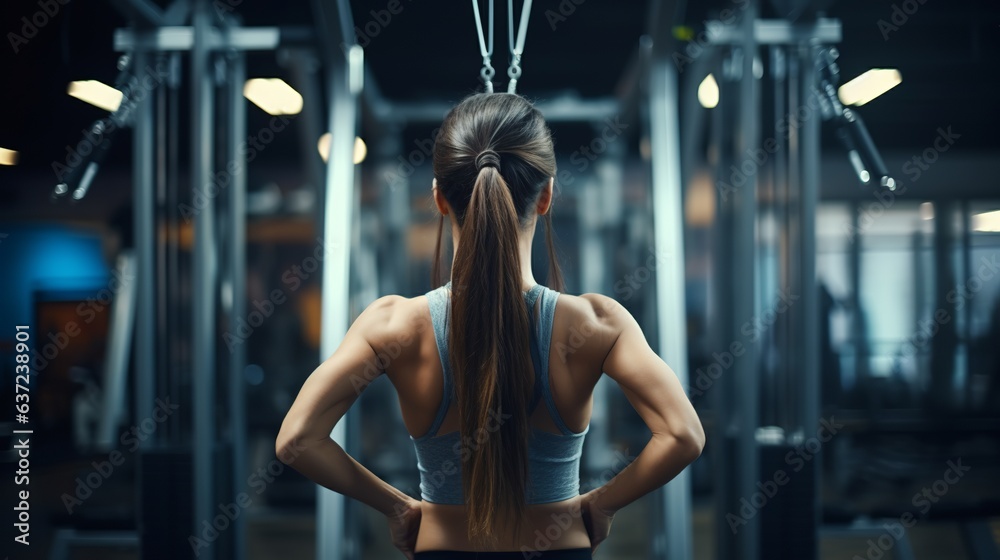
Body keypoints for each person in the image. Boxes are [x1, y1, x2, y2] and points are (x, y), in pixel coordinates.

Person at [276, 93, 705, 559]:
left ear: (439, 197)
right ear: (546, 196)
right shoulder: (598, 322)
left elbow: (298, 439)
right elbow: (683, 435)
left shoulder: (393, 324)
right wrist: (602, 504)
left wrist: (397, 507)